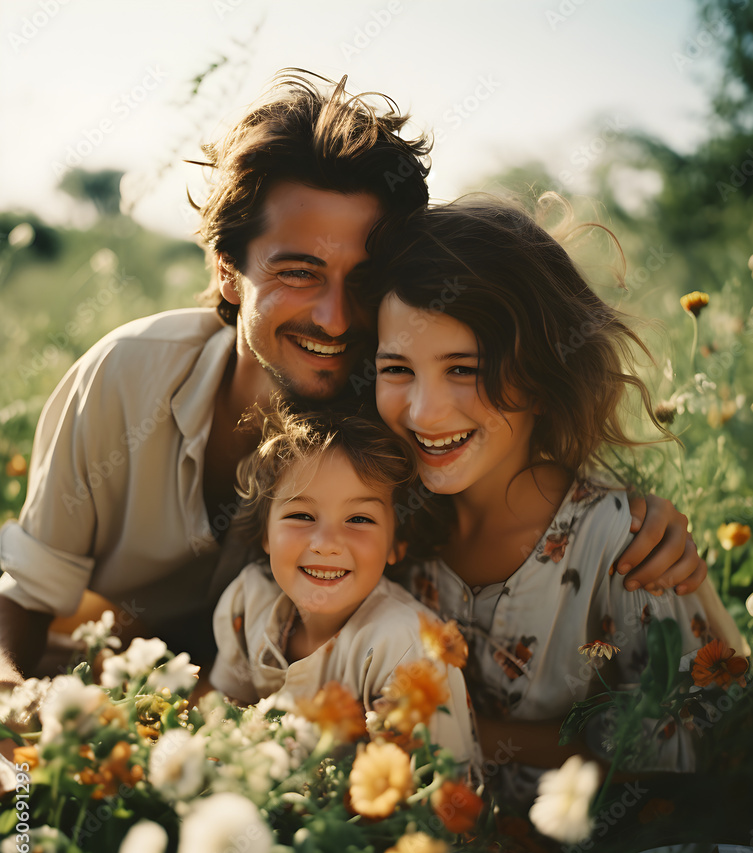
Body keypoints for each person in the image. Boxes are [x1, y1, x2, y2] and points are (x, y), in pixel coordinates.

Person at [0, 71, 702, 690]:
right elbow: (23, 596)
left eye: (363, 281)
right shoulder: (123, 378)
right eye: (298, 272)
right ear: (225, 270)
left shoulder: (402, 410)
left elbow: (509, 452)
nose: (336, 319)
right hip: (123, 682)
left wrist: (637, 522)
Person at [371, 196, 746, 794]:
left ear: (543, 382)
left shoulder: (624, 546)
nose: (424, 410)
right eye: (396, 369)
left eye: (464, 369)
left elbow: (687, 741)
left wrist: (464, 732)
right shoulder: (385, 525)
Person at [209, 404, 475, 763]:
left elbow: (426, 791)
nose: (327, 543)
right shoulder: (249, 599)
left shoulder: (403, 647)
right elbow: (223, 713)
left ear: (396, 544)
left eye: (359, 519)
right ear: (266, 534)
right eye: (301, 515)